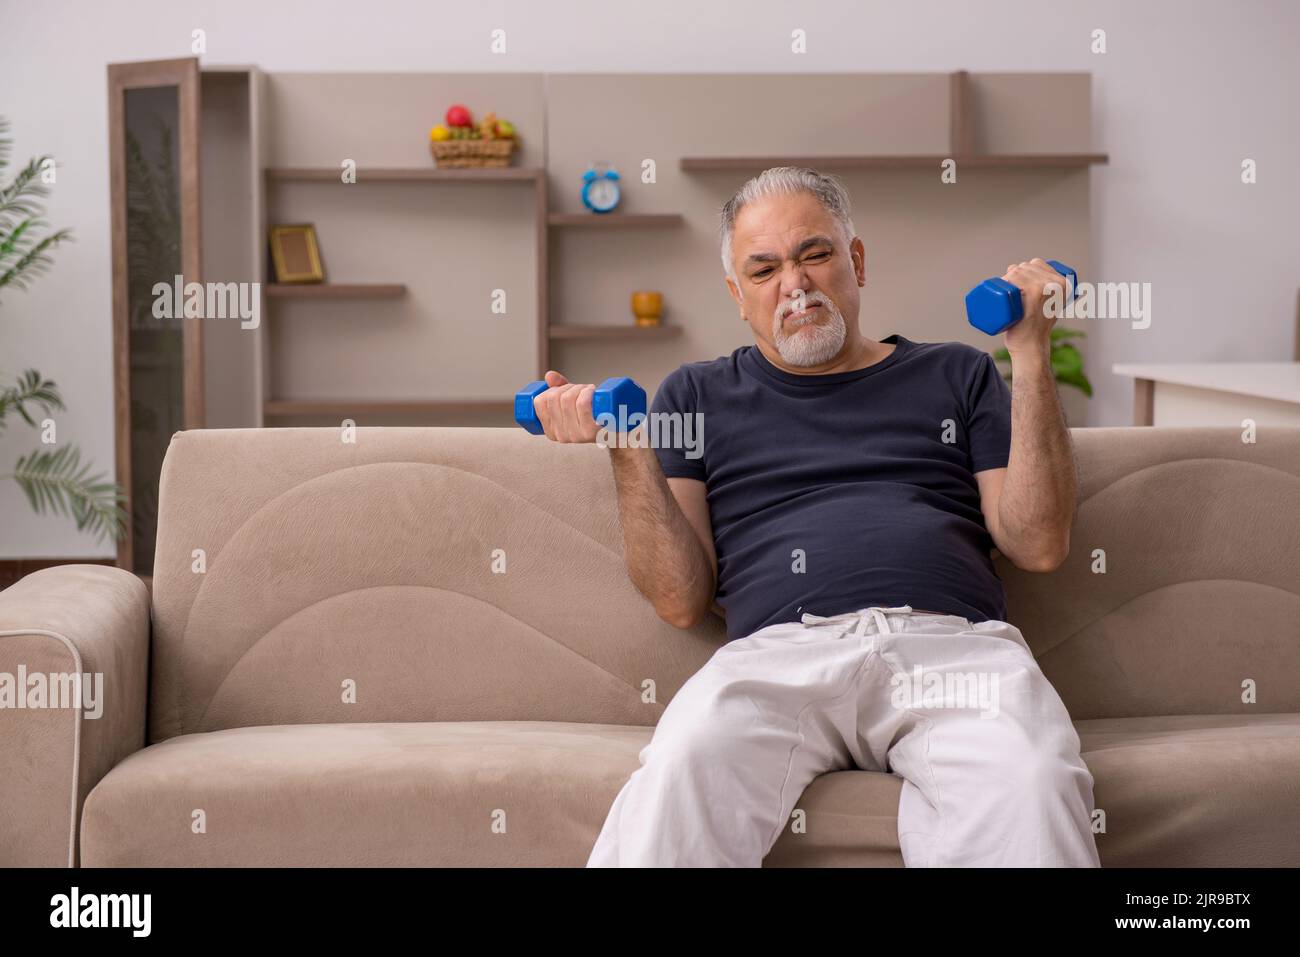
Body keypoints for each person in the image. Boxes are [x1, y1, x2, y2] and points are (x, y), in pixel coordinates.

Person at [535, 166, 1099, 868]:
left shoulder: (957, 374)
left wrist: (1031, 352)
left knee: (1032, 780)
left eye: (815, 254)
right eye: (764, 269)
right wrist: (624, 447)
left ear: (855, 261)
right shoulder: (696, 395)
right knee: (682, 767)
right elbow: (680, 599)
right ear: (738, 296)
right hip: (777, 658)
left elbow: (1038, 543)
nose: (794, 284)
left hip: (953, 649)